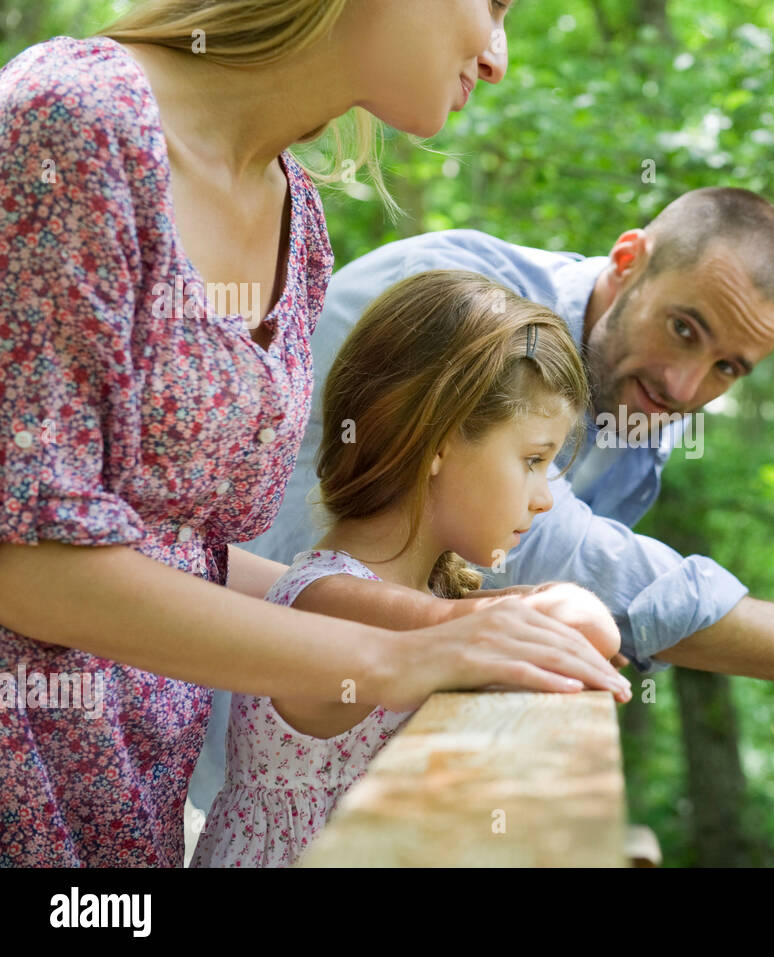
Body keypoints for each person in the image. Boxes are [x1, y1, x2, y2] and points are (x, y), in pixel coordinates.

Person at [0, 0, 627, 868]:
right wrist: (388, 656)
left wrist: (456, 621)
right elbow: (26, 559)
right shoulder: (74, 121)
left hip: (128, 827)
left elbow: (178, 554)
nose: (498, 58)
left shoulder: (297, 219)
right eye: (494, 4)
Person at [205, 188, 774, 816]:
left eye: (728, 369)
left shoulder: (641, 409)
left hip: (358, 777)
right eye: (684, 328)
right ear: (629, 259)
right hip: (196, 744)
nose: (685, 386)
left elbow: (550, 605)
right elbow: (580, 566)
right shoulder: (468, 310)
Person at [192, 271, 610, 867]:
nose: (545, 497)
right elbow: (587, 625)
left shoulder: (422, 597)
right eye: (534, 459)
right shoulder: (335, 602)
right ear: (437, 443)